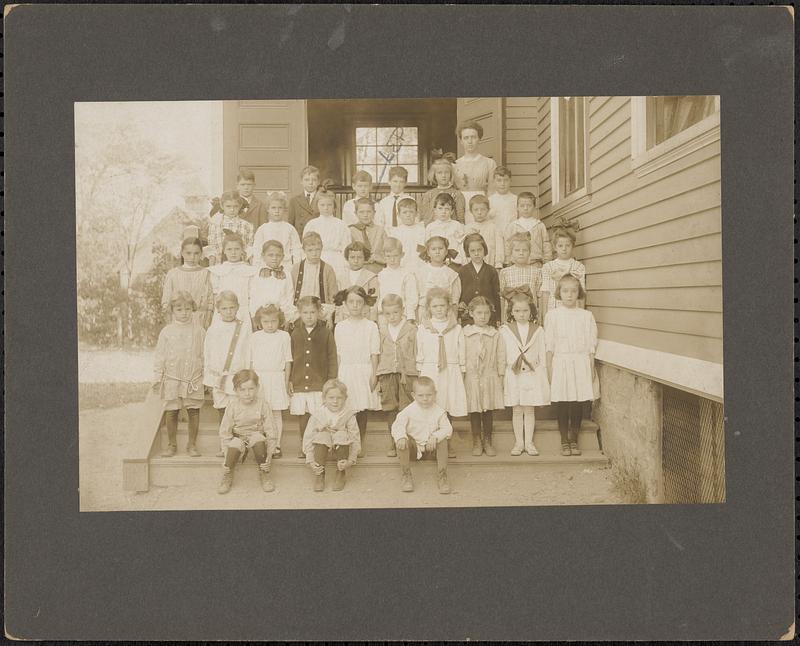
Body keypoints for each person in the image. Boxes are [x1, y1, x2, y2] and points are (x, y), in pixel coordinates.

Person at [545, 274, 598, 457]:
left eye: (573, 291)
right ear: (559, 293)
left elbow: (591, 345)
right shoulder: (552, 315)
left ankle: (574, 438)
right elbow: (549, 345)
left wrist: (591, 367)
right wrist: (549, 369)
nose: (569, 295)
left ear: (579, 293)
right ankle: (563, 440)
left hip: (580, 361)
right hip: (561, 361)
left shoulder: (586, 316)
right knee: (563, 401)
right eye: (565, 291)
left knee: (577, 401)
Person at [416, 287, 467, 460]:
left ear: (448, 307)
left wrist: (462, 369)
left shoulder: (456, 328)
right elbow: (420, 350)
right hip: (430, 370)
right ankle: (429, 442)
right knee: (431, 404)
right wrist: (420, 370)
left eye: (442, 306)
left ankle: (446, 441)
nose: (439, 309)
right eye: (435, 306)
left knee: (447, 406)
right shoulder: (423, 328)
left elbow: (461, 350)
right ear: (429, 308)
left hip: (450, 370)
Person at [153, 291, 206, 458]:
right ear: (172, 311)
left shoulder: (199, 331)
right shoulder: (167, 332)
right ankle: (172, 444)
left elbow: (205, 355)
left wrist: (207, 376)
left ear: (193, 310)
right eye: (179, 309)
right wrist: (157, 376)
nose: (184, 313)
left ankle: (192, 444)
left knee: (193, 410)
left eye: (188, 309)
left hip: (193, 377)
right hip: (172, 377)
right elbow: (160, 355)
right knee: (172, 410)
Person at [500, 289, 550, 456]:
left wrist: (542, 373)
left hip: (531, 373)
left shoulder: (538, 330)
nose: (521, 314)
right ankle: (518, 443)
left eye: (525, 310)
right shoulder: (505, 330)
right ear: (511, 312)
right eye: (517, 311)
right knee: (517, 409)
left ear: (531, 311)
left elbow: (542, 354)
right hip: (513, 374)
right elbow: (502, 353)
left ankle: (529, 443)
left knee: (529, 409)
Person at [333, 286, 381, 457]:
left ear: (365, 305)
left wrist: (374, 374)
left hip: (364, 370)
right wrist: (338, 377)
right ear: (344, 304)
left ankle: (359, 444)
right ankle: (346, 442)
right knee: (347, 408)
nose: (355, 306)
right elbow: (338, 354)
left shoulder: (371, 326)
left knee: (361, 409)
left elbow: (374, 353)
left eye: (359, 302)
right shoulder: (340, 327)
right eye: (351, 302)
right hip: (346, 370)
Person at [289, 296, 338, 459]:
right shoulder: (295, 333)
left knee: (318, 416)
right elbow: (290, 358)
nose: (309, 316)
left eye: (312, 312)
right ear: (299, 314)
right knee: (304, 417)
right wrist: (290, 379)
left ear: (319, 313)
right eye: (305, 312)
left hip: (319, 383)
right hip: (300, 381)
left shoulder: (326, 333)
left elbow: (332, 357)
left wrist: (331, 381)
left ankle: (319, 445)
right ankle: (305, 446)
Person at [203, 291, 252, 445]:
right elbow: (208, 353)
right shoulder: (213, 329)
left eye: (232, 307)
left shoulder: (243, 328)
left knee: (237, 410)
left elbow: (248, 351)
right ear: (218, 309)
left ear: (237, 308)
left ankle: (238, 443)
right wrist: (209, 379)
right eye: (224, 308)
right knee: (223, 411)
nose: (229, 311)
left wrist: (247, 374)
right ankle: (225, 444)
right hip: (219, 377)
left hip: (237, 376)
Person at [217, 369, 277, 494]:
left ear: (257, 388)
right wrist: (225, 455)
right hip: (239, 438)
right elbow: (225, 432)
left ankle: (264, 472)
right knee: (234, 443)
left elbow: (271, 431)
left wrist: (270, 455)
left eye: (251, 389)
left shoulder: (263, 405)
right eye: (242, 390)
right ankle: (228, 474)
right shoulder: (232, 406)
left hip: (256, 438)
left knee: (258, 438)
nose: (247, 393)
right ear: (235, 391)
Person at [391, 377, 452, 494]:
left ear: (435, 394)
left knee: (443, 440)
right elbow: (397, 426)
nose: (425, 399)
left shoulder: (439, 411)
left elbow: (447, 428)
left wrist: (435, 437)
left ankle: (442, 476)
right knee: (402, 440)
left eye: (429, 395)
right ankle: (406, 475)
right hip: (414, 450)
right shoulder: (408, 411)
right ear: (414, 395)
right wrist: (401, 437)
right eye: (421, 395)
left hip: (431, 449)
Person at [376, 294, 418, 457]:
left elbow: (416, 350)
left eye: (395, 312)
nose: (392, 317)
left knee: (406, 407)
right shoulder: (382, 330)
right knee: (391, 407)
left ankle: (408, 440)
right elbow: (378, 352)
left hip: (407, 373)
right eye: (387, 314)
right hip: (387, 372)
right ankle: (394, 440)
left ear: (402, 310)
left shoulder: (412, 329)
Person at [463, 296, 506, 456]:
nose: (483, 316)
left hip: (489, 375)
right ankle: (476, 441)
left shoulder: (495, 334)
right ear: (471, 314)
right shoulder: (465, 333)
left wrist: (500, 376)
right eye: (479, 313)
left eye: (486, 313)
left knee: (488, 410)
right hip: (472, 376)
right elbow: (461, 354)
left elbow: (501, 355)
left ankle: (488, 440)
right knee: (475, 410)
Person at [248, 304, 292, 458]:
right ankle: (261, 443)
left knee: (275, 413)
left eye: (273, 321)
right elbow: (250, 362)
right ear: (260, 322)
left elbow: (288, 361)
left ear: (279, 321)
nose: (270, 325)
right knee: (259, 413)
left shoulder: (284, 336)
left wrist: (286, 383)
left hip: (277, 378)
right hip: (260, 379)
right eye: (266, 322)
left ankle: (276, 445)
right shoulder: (255, 337)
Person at [302, 379, 360, 492]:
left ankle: (341, 472)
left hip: (341, 452)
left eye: (339, 398)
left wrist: (351, 460)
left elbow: (355, 438)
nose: (335, 401)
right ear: (324, 399)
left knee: (342, 434)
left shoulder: (348, 415)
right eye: (331, 398)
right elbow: (308, 437)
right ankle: (320, 474)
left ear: (345, 399)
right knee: (322, 435)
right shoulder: (318, 415)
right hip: (321, 452)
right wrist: (310, 458)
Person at [161, 236, 214, 328]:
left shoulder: (206, 273)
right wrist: (170, 323)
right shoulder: (173, 274)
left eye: (196, 253)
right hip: (178, 321)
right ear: (182, 253)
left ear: (201, 254)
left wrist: (208, 319)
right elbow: (166, 300)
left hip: (200, 321)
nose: (192, 257)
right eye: (188, 253)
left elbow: (210, 300)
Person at [290, 231, 338, 326]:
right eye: (310, 250)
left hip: (321, 313)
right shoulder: (296, 268)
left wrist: (329, 316)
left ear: (322, 249)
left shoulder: (328, 269)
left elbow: (333, 296)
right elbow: (290, 293)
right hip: (300, 313)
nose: (314, 253)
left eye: (317, 250)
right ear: (304, 250)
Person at [247, 240, 298, 329]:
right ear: (263, 256)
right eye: (270, 255)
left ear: (283, 256)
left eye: (278, 255)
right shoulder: (257, 274)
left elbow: (290, 297)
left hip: (280, 316)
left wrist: (288, 317)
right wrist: (253, 317)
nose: (274, 258)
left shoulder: (287, 274)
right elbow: (253, 296)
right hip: (262, 317)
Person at [539, 226, 587, 322]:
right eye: (560, 246)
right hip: (553, 311)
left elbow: (582, 294)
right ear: (555, 247)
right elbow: (545, 292)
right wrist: (544, 316)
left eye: (567, 245)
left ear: (572, 246)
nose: (564, 249)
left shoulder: (579, 267)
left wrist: (582, 314)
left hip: (574, 313)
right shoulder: (548, 267)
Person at [208, 233, 257, 324]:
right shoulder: (218, 271)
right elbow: (215, 294)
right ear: (224, 251)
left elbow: (251, 295)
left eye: (237, 249)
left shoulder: (249, 271)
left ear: (242, 250)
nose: (233, 253)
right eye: (229, 249)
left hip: (243, 311)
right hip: (223, 312)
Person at [453, 120, 498, 218]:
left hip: (481, 206)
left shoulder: (489, 163)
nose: (470, 141)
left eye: (473, 137)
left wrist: (489, 210)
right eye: (466, 138)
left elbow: (492, 191)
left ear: (479, 139)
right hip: (461, 206)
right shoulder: (455, 165)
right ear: (461, 141)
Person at [457, 233, 501, 327]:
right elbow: (459, 294)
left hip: (487, 317)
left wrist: (498, 317)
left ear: (484, 250)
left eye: (479, 250)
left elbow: (496, 296)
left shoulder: (491, 271)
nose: (476, 253)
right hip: (468, 317)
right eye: (472, 251)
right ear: (467, 252)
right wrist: (459, 314)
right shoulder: (462, 271)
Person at [414, 236, 461, 322]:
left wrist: (453, 321)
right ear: (428, 252)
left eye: (440, 248)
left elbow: (454, 302)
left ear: (446, 251)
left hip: (445, 315)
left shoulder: (452, 274)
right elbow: (415, 300)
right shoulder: (420, 273)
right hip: (425, 314)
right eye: (433, 249)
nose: (437, 252)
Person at [303, 190, 350, 277]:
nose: (326, 208)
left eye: (329, 205)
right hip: (316, 258)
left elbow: (346, 246)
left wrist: (345, 262)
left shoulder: (341, 224)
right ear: (317, 206)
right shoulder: (312, 224)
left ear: (334, 206)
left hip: (337, 260)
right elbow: (306, 246)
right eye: (322, 205)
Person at [499, 233, 543, 323]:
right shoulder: (505, 272)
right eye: (517, 250)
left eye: (525, 250)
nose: (521, 253)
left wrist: (540, 316)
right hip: (511, 317)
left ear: (529, 252)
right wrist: (502, 319)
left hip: (530, 316)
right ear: (511, 253)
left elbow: (539, 296)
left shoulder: (536, 271)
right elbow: (502, 298)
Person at [251, 192, 302, 266]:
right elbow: (257, 251)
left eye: (280, 208)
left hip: (285, 266)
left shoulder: (290, 228)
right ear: (268, 209)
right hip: (266, 266)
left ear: (284, 209)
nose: (277, 211)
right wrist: (258, 267)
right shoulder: (262, 229)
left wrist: (296, 268)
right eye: (273, 208)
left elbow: (297, 250)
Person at [377, 237, 418, 325]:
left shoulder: (407, 274)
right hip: (384, 315)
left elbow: (411, 297)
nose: (392, 260)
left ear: (402, 255)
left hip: (402, 315)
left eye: (395, 256)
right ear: (383, 256)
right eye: (388, 256)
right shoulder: (380, 275)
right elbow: (379, 296)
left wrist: (410, 317)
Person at [503, 192, 552, 268]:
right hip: (517, 264)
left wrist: (547, 261)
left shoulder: (539, 225)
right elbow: (508, 245)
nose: (525, 208)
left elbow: (546, 244)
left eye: (529, 205)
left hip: (536, 263)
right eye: (522, 206)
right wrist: (508, 261)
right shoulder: (513, 225)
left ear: (534, 207)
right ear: (517, 207)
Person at [334, 241, 379, 323]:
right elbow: (338, 302)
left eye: (359, 257)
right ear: (347, 258)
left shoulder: (371, 277)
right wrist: (338, 320)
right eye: (352, 257)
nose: (356, 261)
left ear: (365, 258)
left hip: (364, 317)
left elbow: (374, 301)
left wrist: (373, 320)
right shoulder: (341, 277)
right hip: (345, 318)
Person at [207, 190, 254, 264]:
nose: (232, 210)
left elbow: (249, 249)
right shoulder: (215, 224)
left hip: (241, 265)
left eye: (235, 206)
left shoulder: (247, 225)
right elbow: (212, 248)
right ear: (222, 206)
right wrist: (212, 266)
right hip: (220, 265)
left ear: (240, 206)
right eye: (228, 206)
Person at [418, 152, 466, 225]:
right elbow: (424, 217)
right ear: (434, 175)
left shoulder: (457, 194)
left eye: (446, 172)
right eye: (439, 173)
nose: (443, 175)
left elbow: (460, 218)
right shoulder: (428, 195)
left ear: (451, 175)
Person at [424, 193, 466, 266]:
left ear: (452, 211)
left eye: (447, 209)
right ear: (435, 210)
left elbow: (461, 245)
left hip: (454, 260)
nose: (443, 212)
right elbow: (427, 246)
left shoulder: (456, 225)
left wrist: (463, 262)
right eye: (440, 208)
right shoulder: (430, 227)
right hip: (436, 260)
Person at [464, 194, 504, 269]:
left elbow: (499, 247)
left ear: (488, 210)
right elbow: (464, 250)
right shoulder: (467, 228)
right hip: (472, 268)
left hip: (490, 266)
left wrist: (498, 264)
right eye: (476, 210)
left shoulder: (494, 227)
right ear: (471, 211)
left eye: (483, 209)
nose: (479, 212)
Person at [386, 197, 425, 272]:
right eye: (404, 212)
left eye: (411, 212)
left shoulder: (422, 230)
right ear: (398, 215)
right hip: (401, 266)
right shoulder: (394, 232)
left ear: (416, 213)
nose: (408, 215)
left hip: (419, 266)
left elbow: (423, 249)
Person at [348, 197, 387, 273]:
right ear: (356, 213)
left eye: (369, 212)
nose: (365, 215)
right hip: (358, 270)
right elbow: (347, 254)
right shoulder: (351, 231)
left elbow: (388, 253)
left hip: (378, 269)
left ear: (374, 213)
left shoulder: (380, 231)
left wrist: (378, 258)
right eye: (361, 212)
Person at [287, 165, 321, 238]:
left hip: (319, 238)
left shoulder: (322, 199)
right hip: (300, 238)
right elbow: (291, 224)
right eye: (307, 180)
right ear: (301, 181)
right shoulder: (294, 201)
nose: (310, 183)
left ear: (318, 182)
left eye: (314, 180)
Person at [488, 166, 517, 235]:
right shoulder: (489, 200)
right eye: (499, 180)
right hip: (496, 235)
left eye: (506, 180)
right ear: (494, 181)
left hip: (512, 234)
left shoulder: (516, 199)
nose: (502, 184)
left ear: (510, 180)